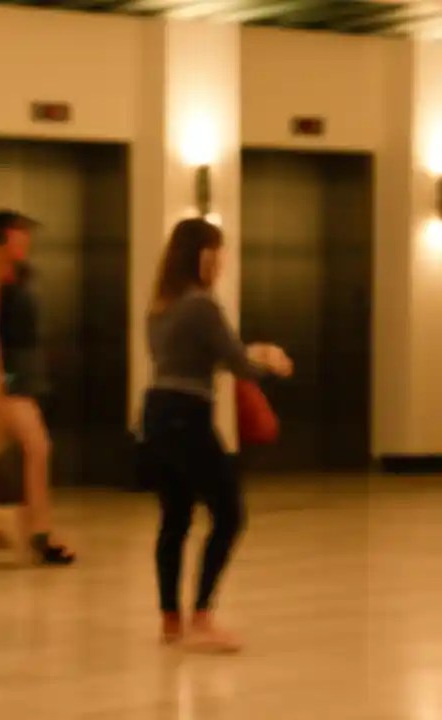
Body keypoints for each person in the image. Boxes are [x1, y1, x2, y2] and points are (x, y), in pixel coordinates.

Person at [143, 217, 292, 652]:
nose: (222, 261)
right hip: (188, 414)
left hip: (156, 412)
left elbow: (198, 354)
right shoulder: (202, 305)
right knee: (229, 513)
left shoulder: (160, 305)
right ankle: (203, 617)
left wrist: (249, 353)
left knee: (174, 518)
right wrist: (270, 360)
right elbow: (237, 365)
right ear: (203, 256)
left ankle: (171, 619)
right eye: (218, 252)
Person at [0, 210, 74, 566]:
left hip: (13, 376)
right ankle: (40, 532)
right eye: (19, 234)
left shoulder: (18, 276)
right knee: (37, 445)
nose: (25, 241)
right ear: (2, 239)